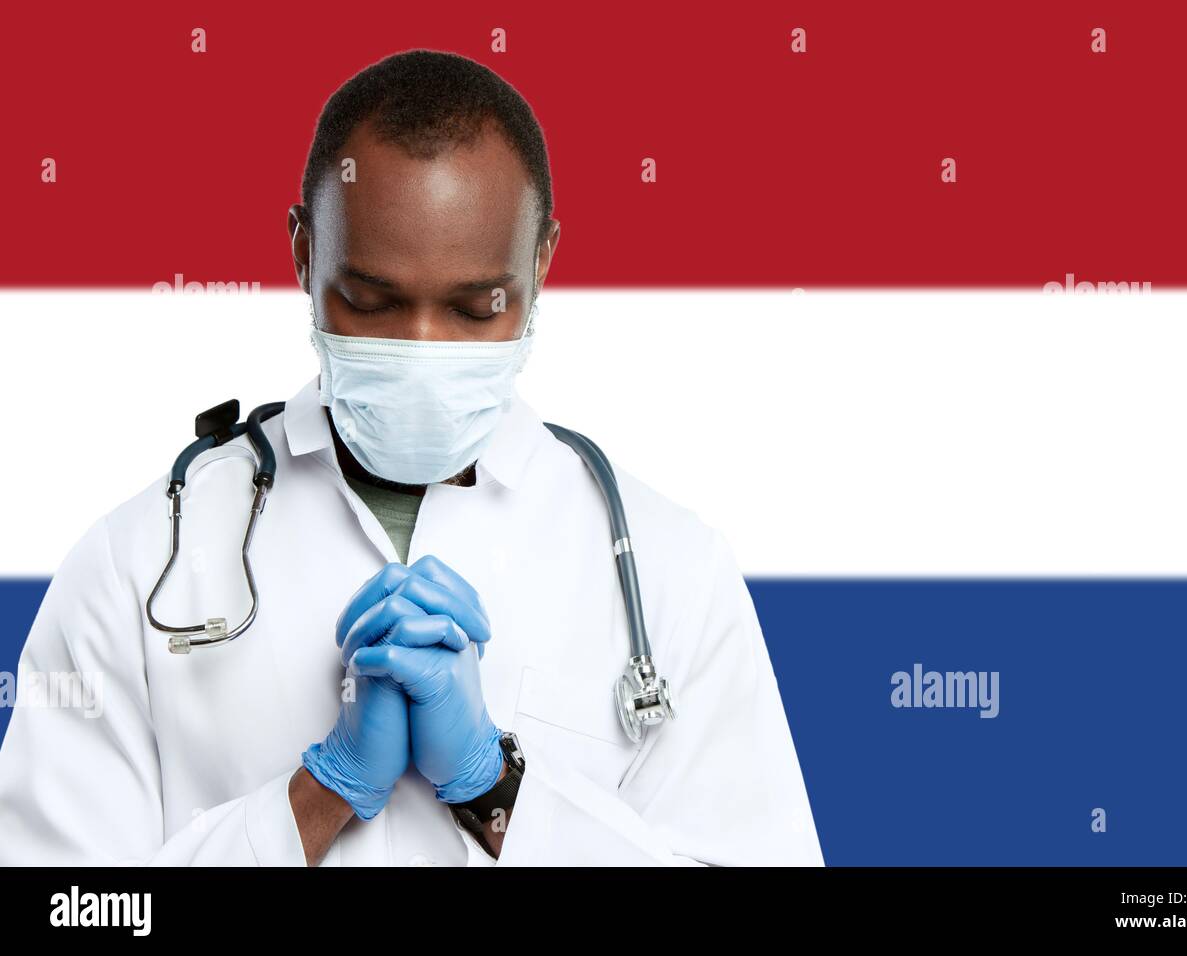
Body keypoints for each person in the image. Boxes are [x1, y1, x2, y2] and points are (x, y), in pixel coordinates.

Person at [0, 50, 824, 866]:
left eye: (474, 309)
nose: (422, 349)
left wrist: (493, 790)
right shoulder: (139, 567)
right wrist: (318, 797)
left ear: (540, 264)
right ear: (302, 255)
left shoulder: (669, 570)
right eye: (371, 302)